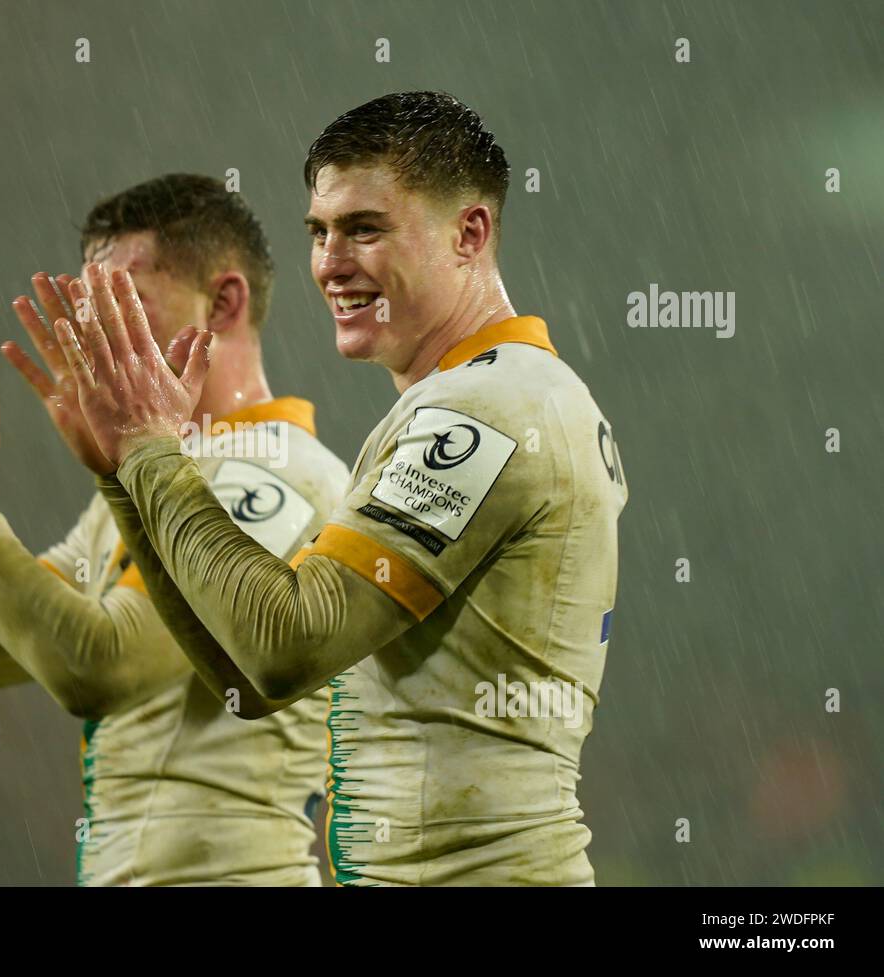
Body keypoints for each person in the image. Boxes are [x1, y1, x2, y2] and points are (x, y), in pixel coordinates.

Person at [50, 93, 630, 886]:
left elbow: (287, 642)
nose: (329, 262)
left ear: (470, 233)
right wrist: (127, 474)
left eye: (365, 228)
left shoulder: (491, 408)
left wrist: (152, 449)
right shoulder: (481, 397)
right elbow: (248, 677)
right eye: (319, 232)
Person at [0, 174, 350, 886]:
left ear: (224, 302)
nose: (91, 338)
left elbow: (99, 665)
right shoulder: (133, 492)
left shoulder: (279, 474)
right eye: (86, 311)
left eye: (121, 307)